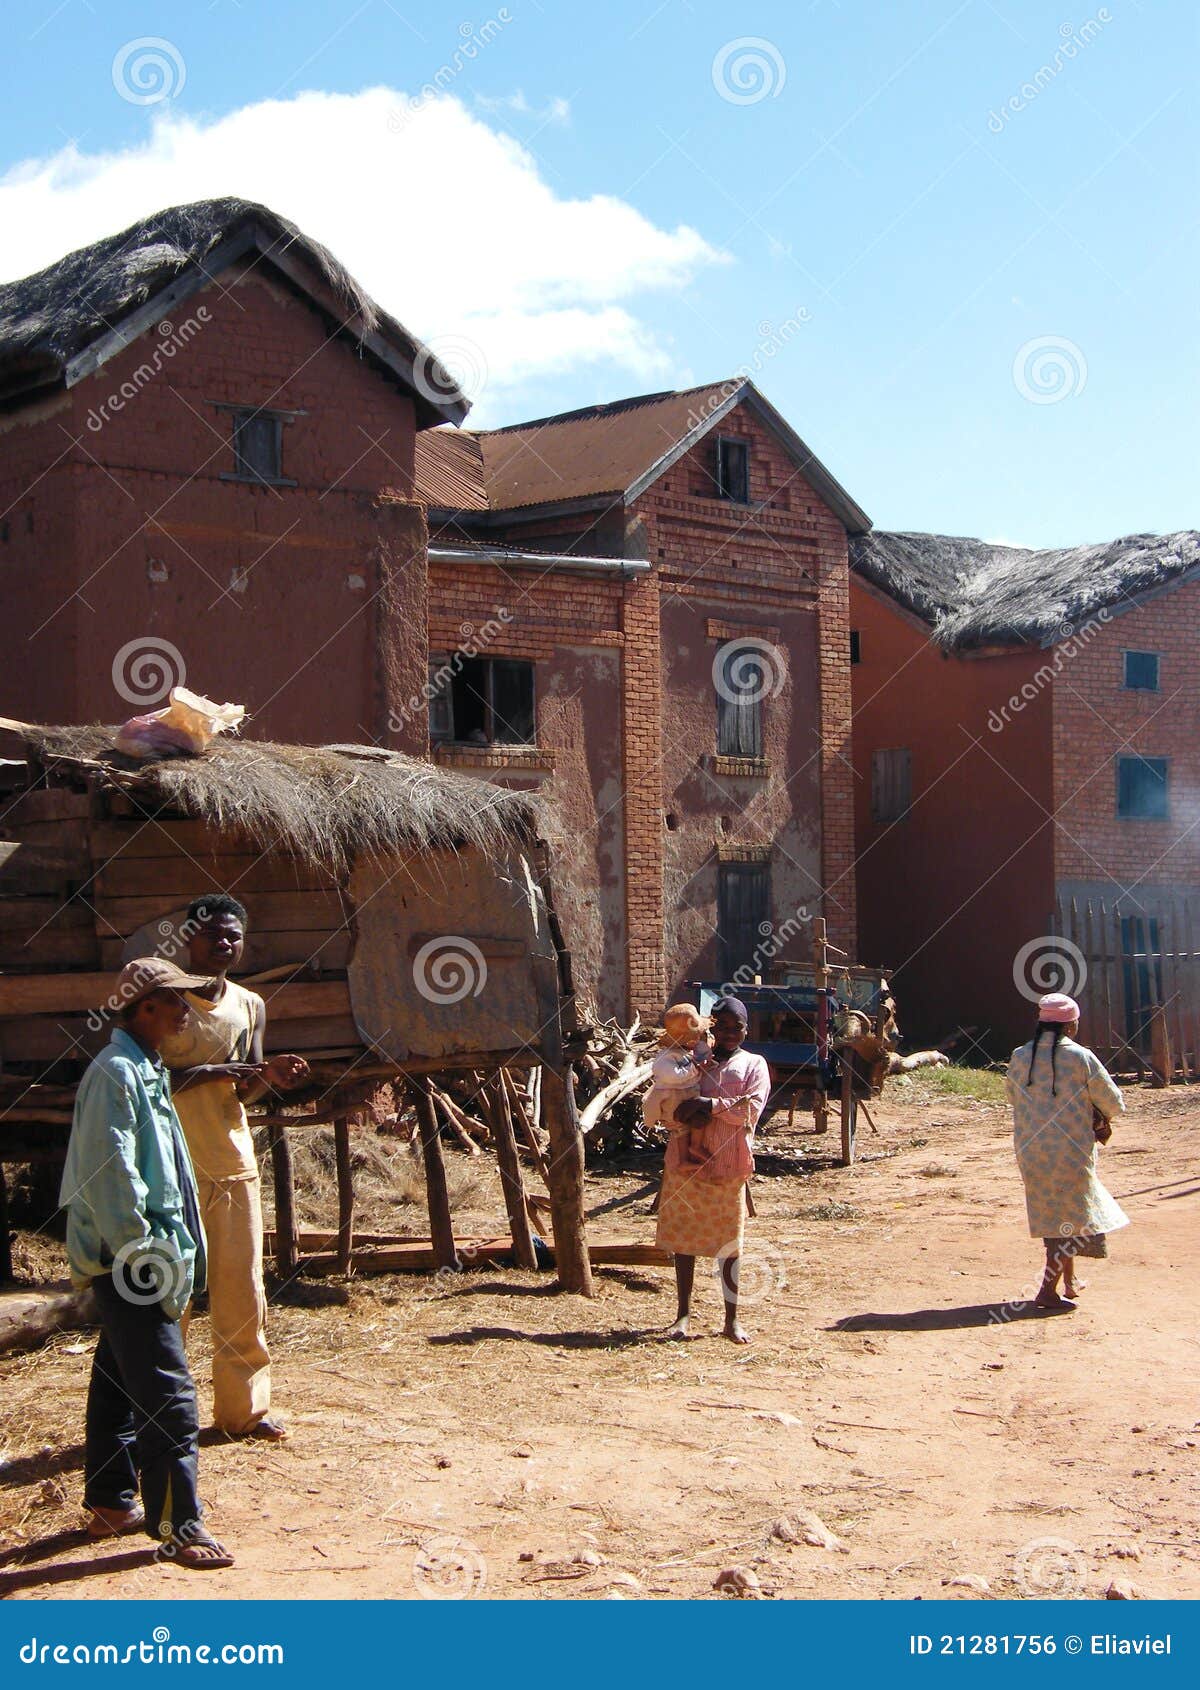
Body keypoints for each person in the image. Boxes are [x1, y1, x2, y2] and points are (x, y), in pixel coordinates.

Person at [59, 958, 234, 1569]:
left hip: (137, 1256)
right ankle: (180, 1525)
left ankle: (111, 1502)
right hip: (132, 1260)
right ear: (145, 1007)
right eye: (176, 1001)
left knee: (116, 1379)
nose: (186, 1012)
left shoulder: (143, 1068)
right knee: (170, 1394)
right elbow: (113, 1178)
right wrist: (147, 1256)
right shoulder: (116, 1073)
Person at [160, 894, 309, 1440]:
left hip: (231, 1160)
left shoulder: (249, 1005)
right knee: (167, 1294)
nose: (224, 944)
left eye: (234, 937)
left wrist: (269, 1075)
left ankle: (243, 1412)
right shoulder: (160, 1001)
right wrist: (212, 1069)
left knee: (241, 1291)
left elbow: (241, 1090)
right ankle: (161, 1415)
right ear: (187, 939)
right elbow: (146, 1083)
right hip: (168, 1165)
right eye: (213, 935)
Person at [653, 997, 771, 1343]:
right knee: (684, 1241)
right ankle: (683, 1315)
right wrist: (682, 1112)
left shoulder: (754, 1065)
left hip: (728, 1164)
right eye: (721, 1026)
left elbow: (751, 1109)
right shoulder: (691, 1061)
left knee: (729, 1245)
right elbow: (668, 1098)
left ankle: (731, 1320)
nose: (730, 1033)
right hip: (686, 1161)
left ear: (747, 1030)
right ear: (710, 1027)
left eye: (737, 1027)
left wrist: (709, 1106)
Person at [1004, 992, 1128, 1311]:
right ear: (1071, 1025)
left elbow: (1012, 1097)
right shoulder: (1081, 1057)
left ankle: (1069, 1282)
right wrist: (1098, 1116)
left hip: (1031, 1150)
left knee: (1055, 1213)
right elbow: (1113, 1102)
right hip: (1071, 1151)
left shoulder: (1020, 1056)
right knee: (1068, 1216)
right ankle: (1047, 1291)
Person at [646, 1003, 715, 1166]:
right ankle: (684, 1159)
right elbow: (672, 1076)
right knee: (681, 1127)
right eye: (694, 1037)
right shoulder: (666, 1058)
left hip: (690, 1093)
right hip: (673, 1096)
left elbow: (704, 1054)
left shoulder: (690, 1051)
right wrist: (695, 1068)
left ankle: (695, 1147)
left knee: (697, 1119)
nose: (698, 1039)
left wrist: (706, 1051)